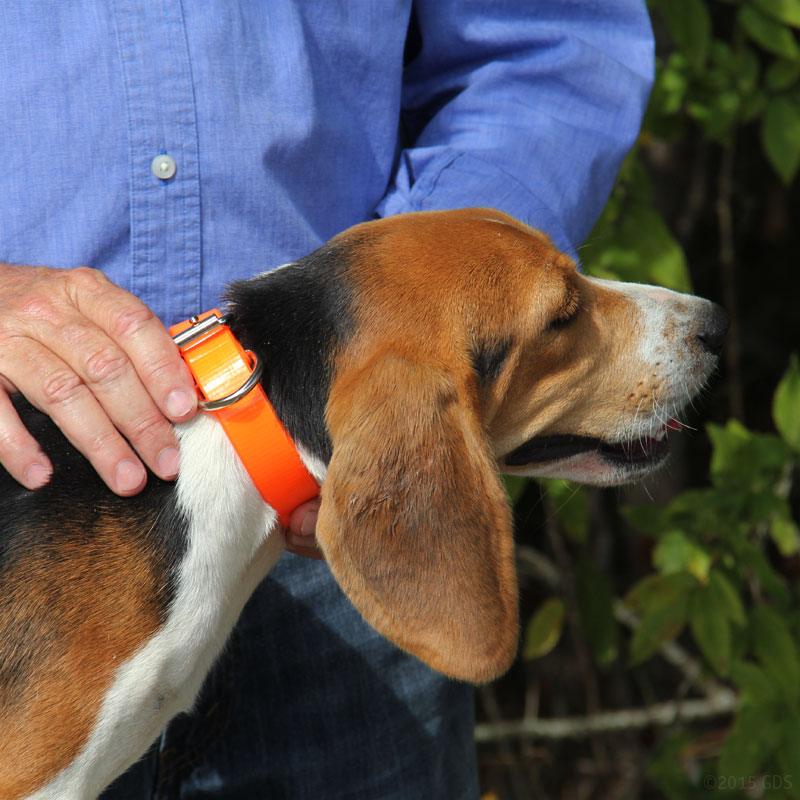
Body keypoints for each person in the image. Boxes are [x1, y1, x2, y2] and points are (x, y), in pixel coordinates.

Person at [0, 3, 653, 797]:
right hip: (33, 493)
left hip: (375, 526)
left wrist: (436, 309)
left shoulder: (409, 403)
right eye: (566, 314)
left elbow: (553, 43)